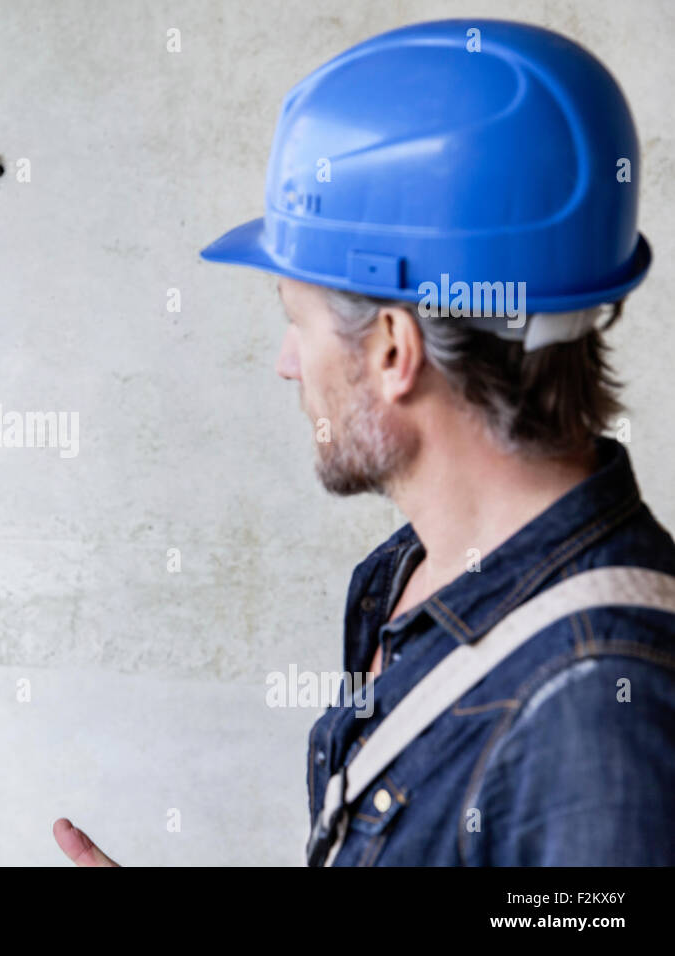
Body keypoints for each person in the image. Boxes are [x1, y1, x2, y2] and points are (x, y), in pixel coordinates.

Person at [55, 19, 675, 866]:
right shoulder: (403, 579)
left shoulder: (598, 712)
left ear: (392, 348)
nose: (284, 365)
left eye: (294, 321)